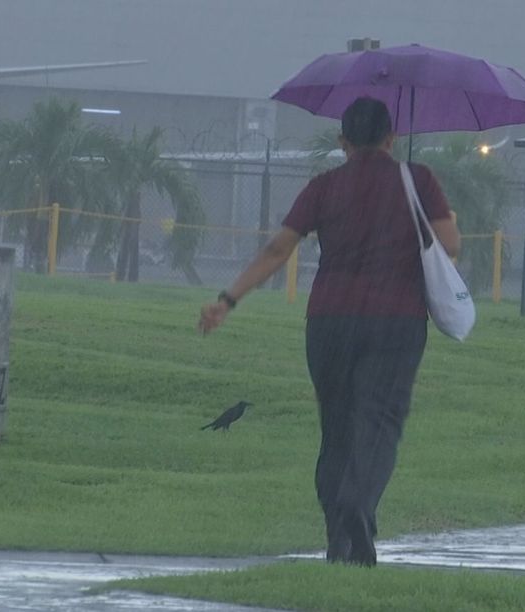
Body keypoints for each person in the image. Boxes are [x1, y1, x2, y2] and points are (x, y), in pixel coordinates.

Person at [197, 97, 460, 566]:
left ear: (343, 142)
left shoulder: (324, 187)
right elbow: (450, 247)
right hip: (395, 321)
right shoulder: (418, 180)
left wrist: (227, 300)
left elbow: (279, 249)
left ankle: (338, 539)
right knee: (378, 422)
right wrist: (433, 221)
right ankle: (357, 505)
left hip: (329, 321)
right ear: (391, 137)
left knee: (336, 426)